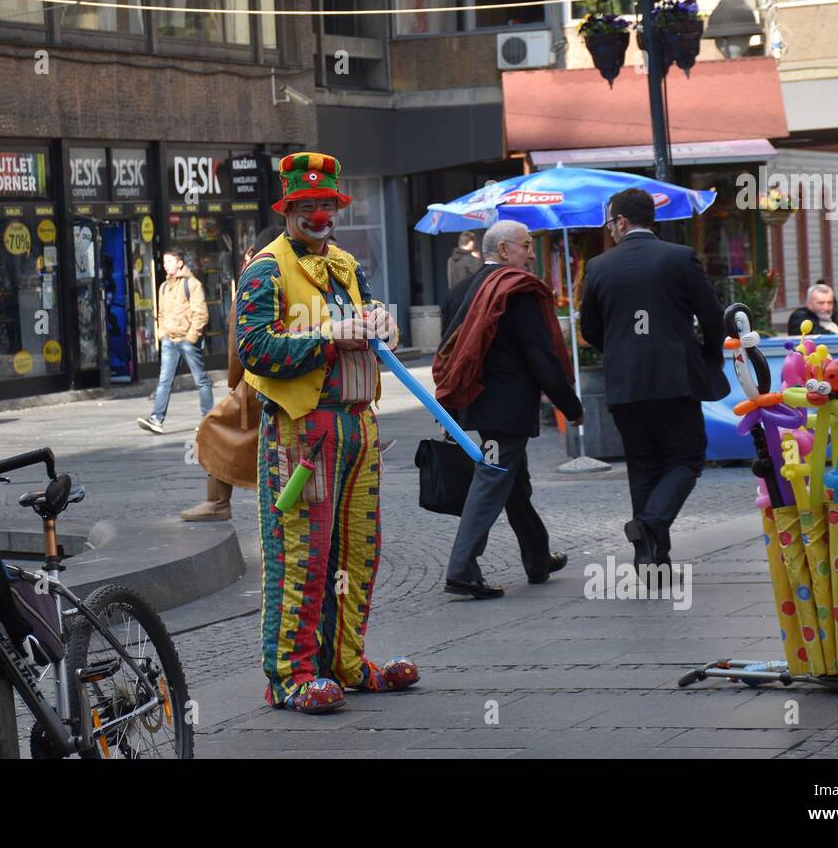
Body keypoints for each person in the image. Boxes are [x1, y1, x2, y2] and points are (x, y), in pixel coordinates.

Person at [236, 151, 417, 713]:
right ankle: (289, 676)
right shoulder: (265, 268)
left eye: (327, 204)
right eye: (307, 205)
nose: (319, 214)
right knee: (302, 554)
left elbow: (368, 323)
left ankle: (346, 663)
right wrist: (328, 337)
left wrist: (382, 322)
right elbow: (254, 351)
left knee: (356, 553)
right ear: (288, 209)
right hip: (300, 435)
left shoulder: (345, 263)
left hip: (359, 427)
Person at [580, 188, 728, 573]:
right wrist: (707, 354)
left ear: (623, 221)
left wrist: (622, 349)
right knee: (686, 458)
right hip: (673, 379)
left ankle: (651, 561)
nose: (610, 229)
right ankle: (649, 525)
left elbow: (591, 330)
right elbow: (713, 317)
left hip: (624, 383)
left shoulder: (598, 267)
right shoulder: (679, 258)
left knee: (643, 466)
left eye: (610, 222)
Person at [433, 221, 583, 599]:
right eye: (526, 246)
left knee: (514, 482)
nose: (532, 255)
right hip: (506, 411)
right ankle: (462, 568)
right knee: (492, 480)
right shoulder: (516, 290)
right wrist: (570, 405)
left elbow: (450, 354)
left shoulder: (458, 292)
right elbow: (540, 356)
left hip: (473, 406)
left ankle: (537, 557)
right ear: (503, 251)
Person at [181, 225, 283, 521]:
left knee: (213, 430)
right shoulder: (295, 273)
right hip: (285, 376)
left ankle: (218, 503)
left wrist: (234, 380)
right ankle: (220, 502)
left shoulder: (255, 277)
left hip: (256, 379)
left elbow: (237, 343)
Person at [138, 247, 213, 434]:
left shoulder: (192, 284)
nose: (165, 266)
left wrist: (191, 336)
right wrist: (162, 332)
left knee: (201, 380)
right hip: (169, 340)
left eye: (169, 262)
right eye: (164, 262)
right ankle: (156, 419)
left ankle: (209, 420)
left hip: (187, 340)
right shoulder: (164, 286)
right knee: (164, 381)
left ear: (180, 263)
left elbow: (201, 313)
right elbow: (161, 313)